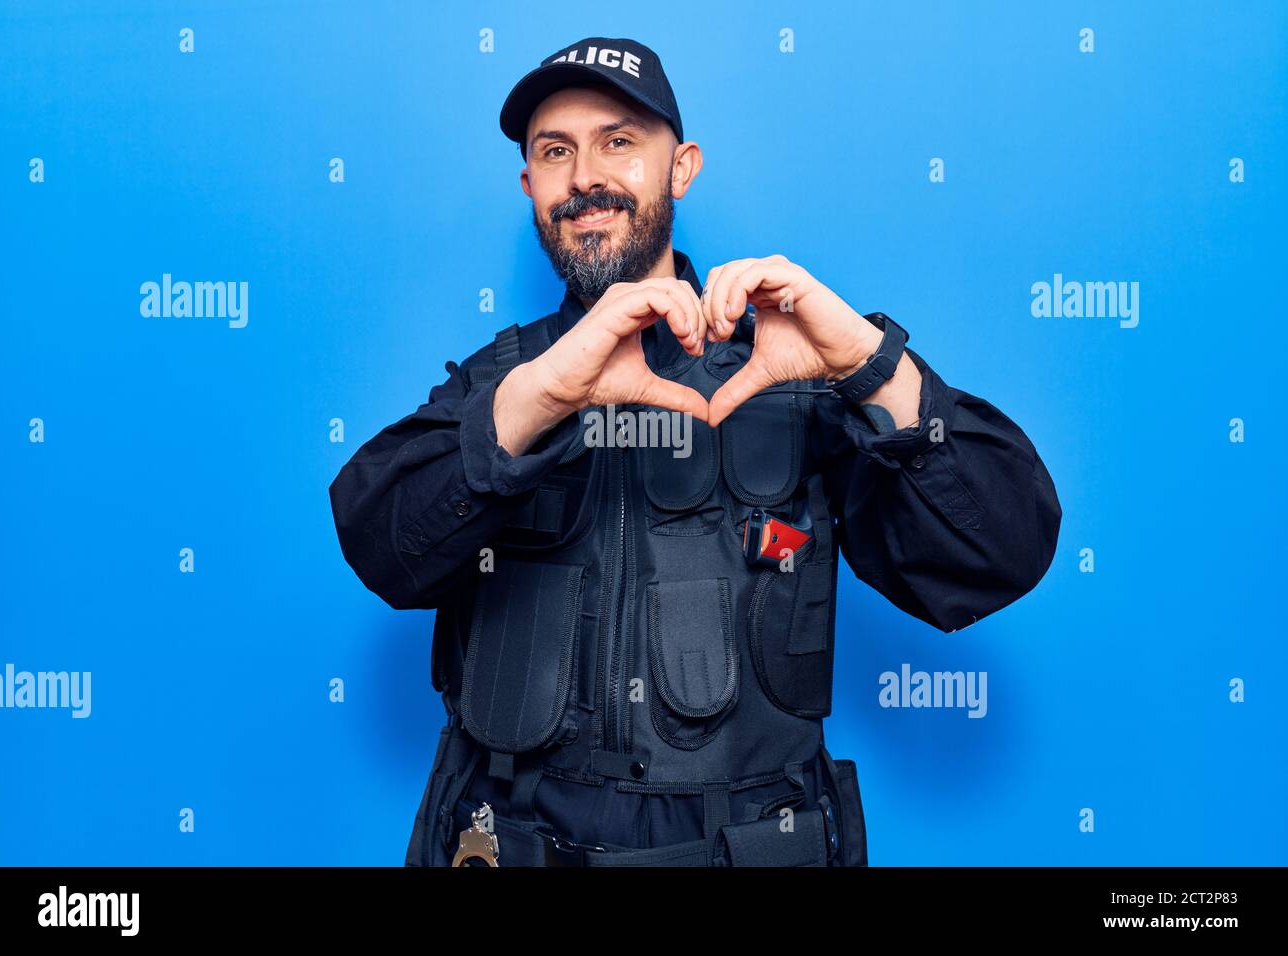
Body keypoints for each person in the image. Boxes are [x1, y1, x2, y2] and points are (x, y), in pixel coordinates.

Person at [328, 36, 1062, 867]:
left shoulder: (793, 370)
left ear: (681, 168)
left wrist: (867, 364)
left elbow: (1003, 549)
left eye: (618, 142)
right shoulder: (505, 385)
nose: (585, 179)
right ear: (530, 185)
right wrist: (538, 399)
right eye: (555, 152)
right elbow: (379, 546)